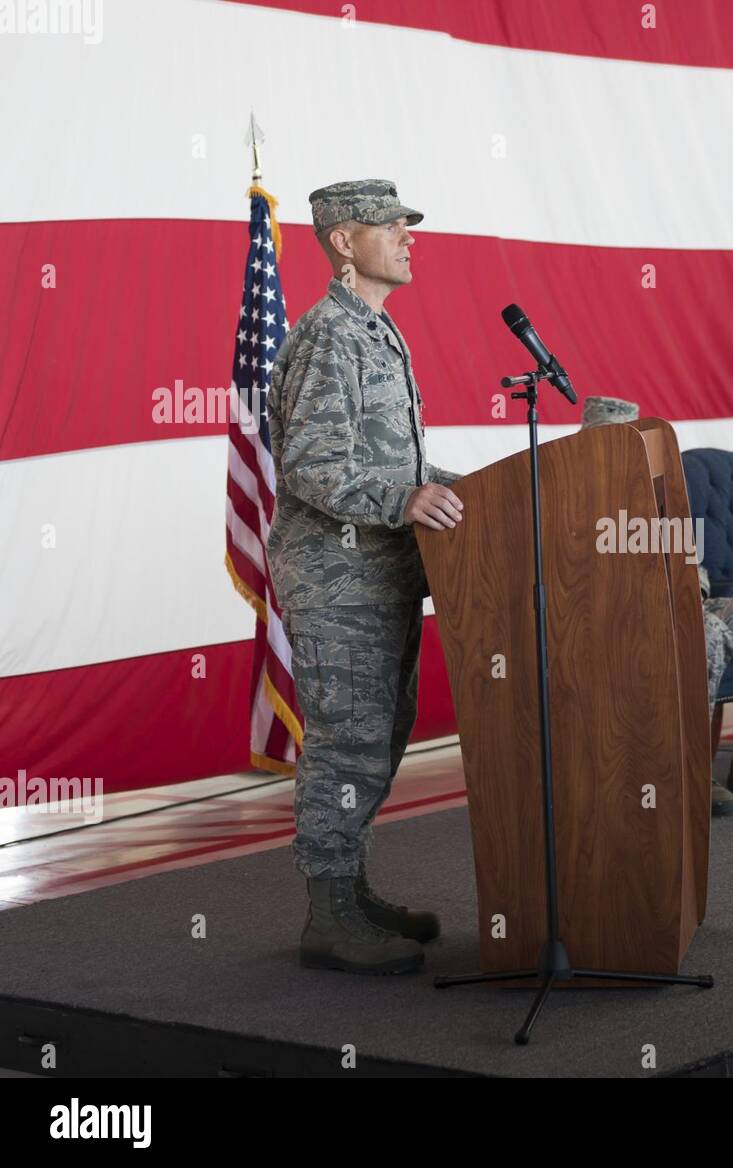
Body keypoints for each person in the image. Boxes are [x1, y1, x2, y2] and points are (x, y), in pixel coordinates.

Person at [267, 179, 465, 974]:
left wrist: (468, 489)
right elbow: (312, 466)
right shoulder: (330, 336)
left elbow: (393, 463)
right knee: (347, 742)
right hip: (336, 580)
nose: (408, 237)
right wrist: (407, 499)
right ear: (344, 241)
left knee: (379, 737)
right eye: (391, 226)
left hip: (382, 573)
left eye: (408, 226)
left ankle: (350, 888)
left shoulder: (377, 332)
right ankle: (329, 917)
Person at [579, 396, 733, 814]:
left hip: (679, 609)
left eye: (630, 441)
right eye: (609, 442)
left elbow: (692, 569)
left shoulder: (658, 499)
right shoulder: (567, 502)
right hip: (618, 622)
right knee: (704, 630)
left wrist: (687, 597)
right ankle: (684, 768)